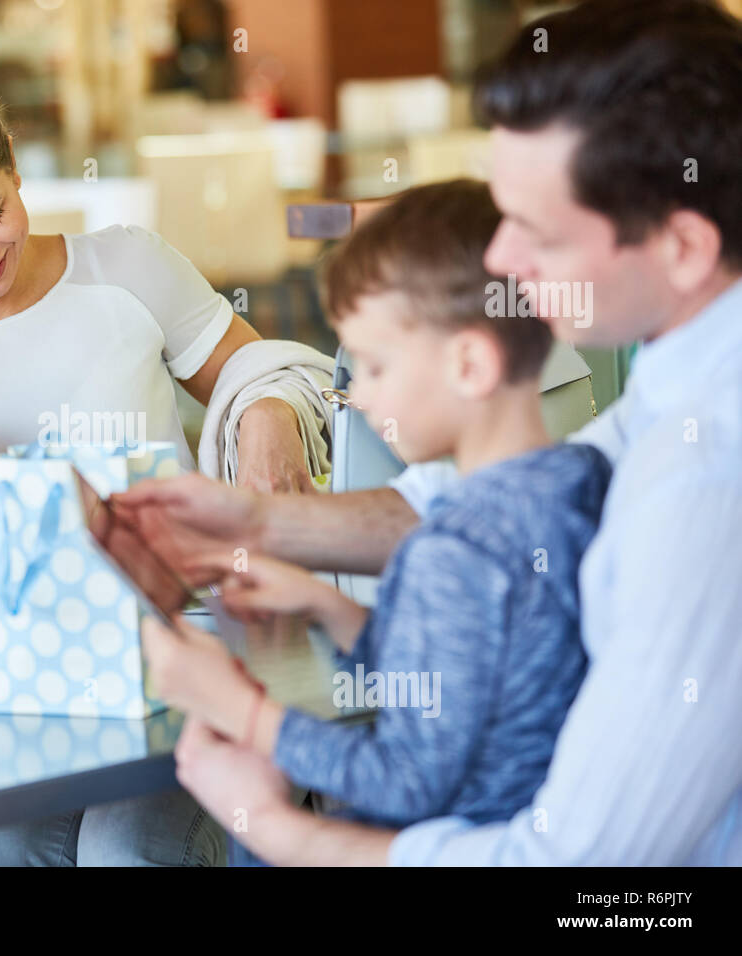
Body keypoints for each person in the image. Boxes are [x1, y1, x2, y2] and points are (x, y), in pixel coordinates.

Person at [118, 0, 742, 865]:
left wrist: (288, 829)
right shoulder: (677, 385)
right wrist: (252, 526)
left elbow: (581, 877)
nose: (498, 263)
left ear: (682, 247)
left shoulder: (707, 475)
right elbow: (484, 518)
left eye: (536, 229)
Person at [0, 21, 319, 866]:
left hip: (174, 655)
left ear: (14, 164)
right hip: (3, 693)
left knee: (126, 854)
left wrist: (265, 408)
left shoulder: (124, 269)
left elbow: (261, 370)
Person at [139, 177, 611, 861]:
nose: (356, 393)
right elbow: (468, 683)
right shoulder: (578, 487)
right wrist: (334, 610)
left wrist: (244, 714)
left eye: (377, 365)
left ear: (471, 363)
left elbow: (408, 776)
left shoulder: (454, 545)